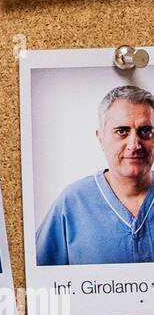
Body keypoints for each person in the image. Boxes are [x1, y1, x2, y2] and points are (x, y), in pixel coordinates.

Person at [36, 86, 154, 266]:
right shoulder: (73, 202)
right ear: (100, 138)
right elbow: (38, 281)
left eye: (146, 131)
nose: (134, 145)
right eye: (122, 131)